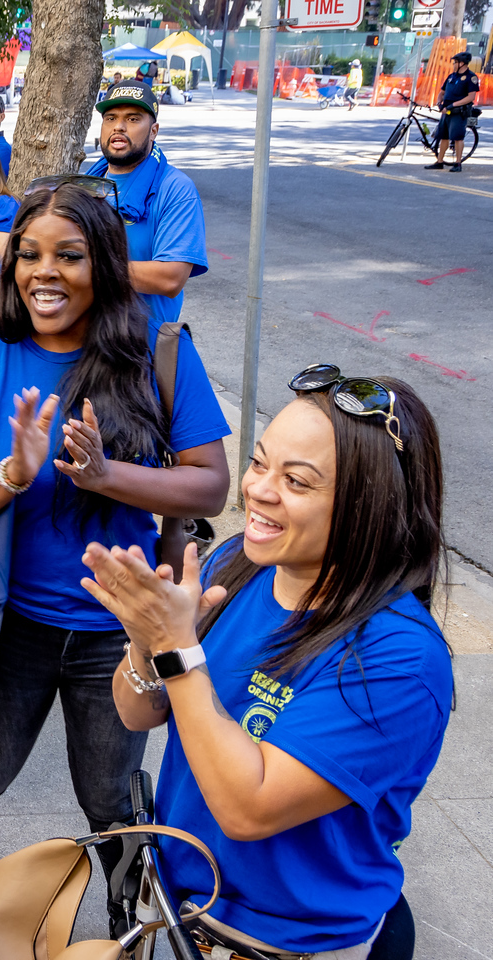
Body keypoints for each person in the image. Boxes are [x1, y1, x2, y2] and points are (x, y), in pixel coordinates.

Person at [0, 177, 230, 960]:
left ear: (104, 264)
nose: (44, 272)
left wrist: (107, 477)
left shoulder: (159, 356)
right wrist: (10, 475)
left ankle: (124, 911)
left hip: (122, 631)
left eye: (69, 255)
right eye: (29, 254)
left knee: (110, 792)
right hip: (10, 624)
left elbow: (210, 484)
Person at [85, 366, 451, 960]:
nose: (257, 490)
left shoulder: (399, 658)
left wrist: (177, 649)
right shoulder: (237, 564)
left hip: (289, 940)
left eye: (297, 481)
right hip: (184, 906)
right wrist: (144, 642)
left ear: (371, 506)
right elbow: (136, 713)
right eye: (258, 463)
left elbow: (247, 808)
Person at [85, 82, 207, 325]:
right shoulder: (86, 184)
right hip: (83, 333)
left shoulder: (175, 189)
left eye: (132, 119)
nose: (118, 127)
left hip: (141, 340)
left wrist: (86, 269)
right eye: (110, 118)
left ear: (153, 131)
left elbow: (170, 279)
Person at [425, 51, 480, 173]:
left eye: (455, 62)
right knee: (443, 137)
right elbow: (442, 92)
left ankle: (458, 163)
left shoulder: (471, 77)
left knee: (457, 138)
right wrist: (439, 102)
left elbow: (471, 97)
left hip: (458, 112)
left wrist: (452, 105)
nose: (453, 64)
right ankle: (440, 162)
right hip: (446, 111)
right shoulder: (451, 76)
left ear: (462, 63)